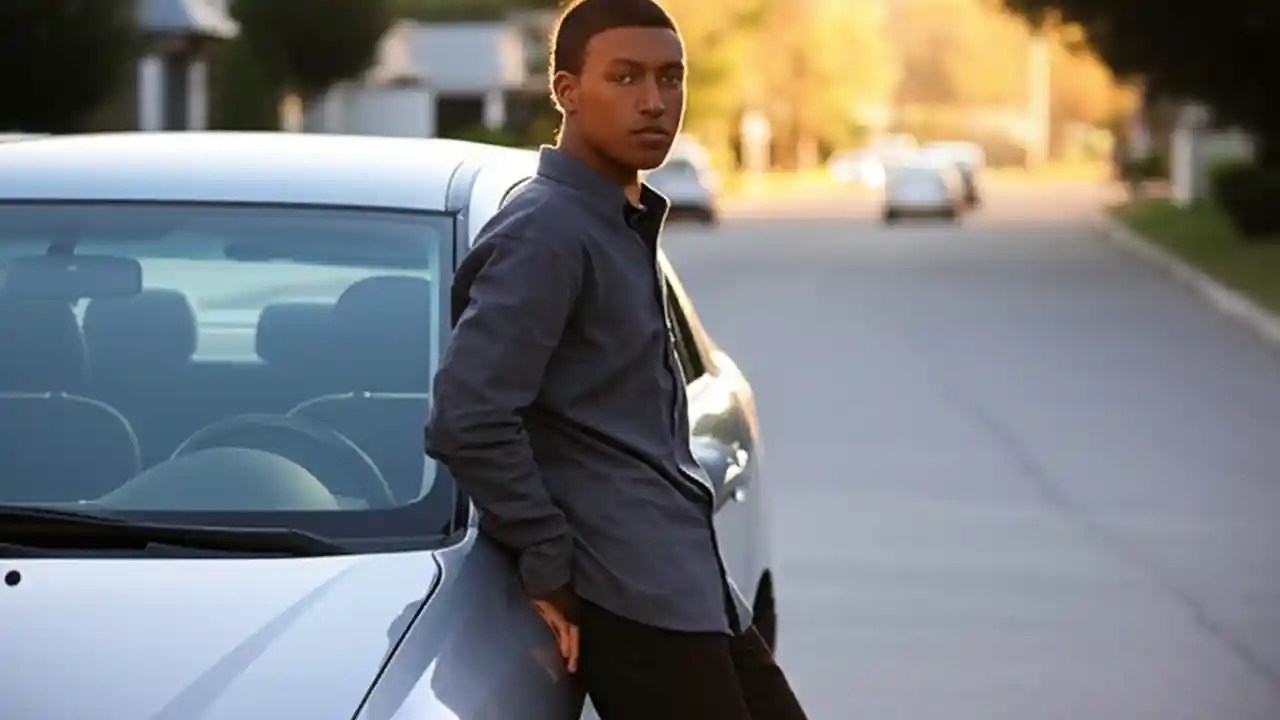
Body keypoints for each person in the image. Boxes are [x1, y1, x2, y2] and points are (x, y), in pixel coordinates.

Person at [424, 1, 809, 717]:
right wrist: (546, 560)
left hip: (687, 585)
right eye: (625, 78)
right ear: (566, 90)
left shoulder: (615, 221)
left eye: (671, 77)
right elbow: (468, 416)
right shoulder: (547, 233)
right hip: (627, 597)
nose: (655, 102)